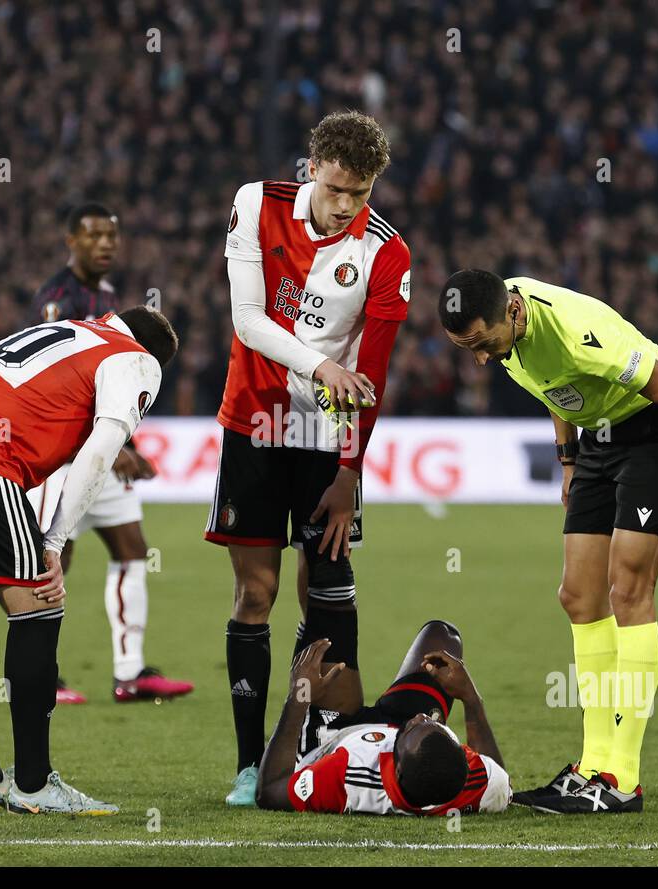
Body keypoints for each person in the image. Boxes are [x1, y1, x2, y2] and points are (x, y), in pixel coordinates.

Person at [438, 270, 658, 813]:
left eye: (482, 344)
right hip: (597, 441)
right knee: (578, 596)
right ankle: (593, 766)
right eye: (465, 349)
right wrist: (568, 458)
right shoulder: (506, 323)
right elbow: (554, 386)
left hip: (650, 432)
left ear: (513, 313)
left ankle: (622, 779)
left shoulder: (577, 331)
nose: (478, 359)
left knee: (629, 590)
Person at [0, 306, 177, 815]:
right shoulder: (137, 359)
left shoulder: (71, 330)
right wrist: (55, 540)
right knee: (39, 602)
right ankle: (36, 786)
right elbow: (102, 448)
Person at [209, 110, 411, 806]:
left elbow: (373, 376)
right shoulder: (254, 204)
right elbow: (247, 320)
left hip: (328, 435)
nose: (345, 206)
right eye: (334, 190)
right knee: (256, 592)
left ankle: (321, 741)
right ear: (312, 167)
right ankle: (247, 763)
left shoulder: (389, 255)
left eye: (360, 194)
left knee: (325, 585)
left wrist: (351, 472)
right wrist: (323, 366)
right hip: (256, 422)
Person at [26, 201, 193, 705]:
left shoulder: (107, 296)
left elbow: (113, 378)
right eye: (94, 236)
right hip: (66, 448)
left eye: (111, 237)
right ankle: (39, 675)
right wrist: (109, 443)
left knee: (131, 549)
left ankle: (130, 673)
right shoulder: (57, 298)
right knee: (55, 552)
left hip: (104, 442)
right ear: (70, 241)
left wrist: (128, 442)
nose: (105, 245)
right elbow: (58, 378)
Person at [255, 621, 511, 815]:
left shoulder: (345, 776)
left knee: (329, 633)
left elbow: (268, 791)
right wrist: (471, 698)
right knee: (443, 636)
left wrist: (297, 700)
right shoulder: (472, 780)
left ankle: (327, 571)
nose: (420, 717)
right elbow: (499, 777)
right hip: (400, 734)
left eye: (415, 726)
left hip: (335, 736)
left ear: (396, 769)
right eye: (433, 725)